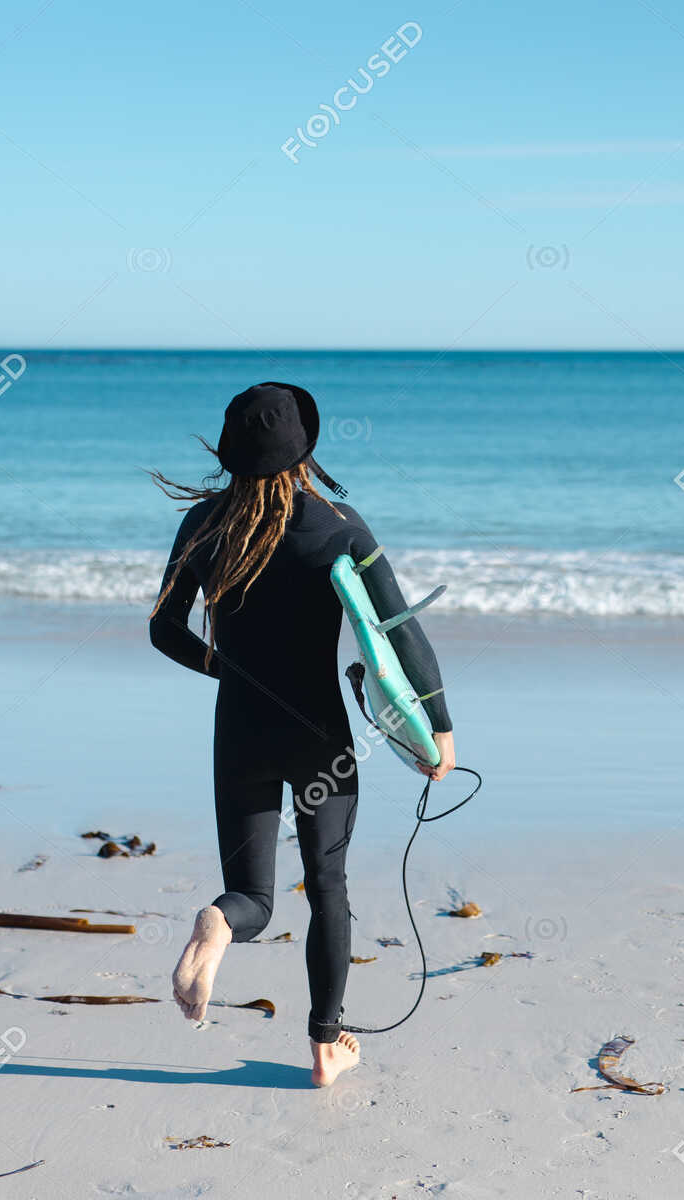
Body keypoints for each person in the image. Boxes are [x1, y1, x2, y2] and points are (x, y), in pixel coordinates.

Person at [148, 382, 455, 1087]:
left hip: (240, 733)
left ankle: (218, 925)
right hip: (319, 735)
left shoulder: (201, 524)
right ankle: (324, 1047)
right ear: (304, 448)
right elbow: (404, 639)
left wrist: (228, 671)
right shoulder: (339, 526)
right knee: (328, 886)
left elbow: (165, 629)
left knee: (252, 897)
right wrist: (437, 728)